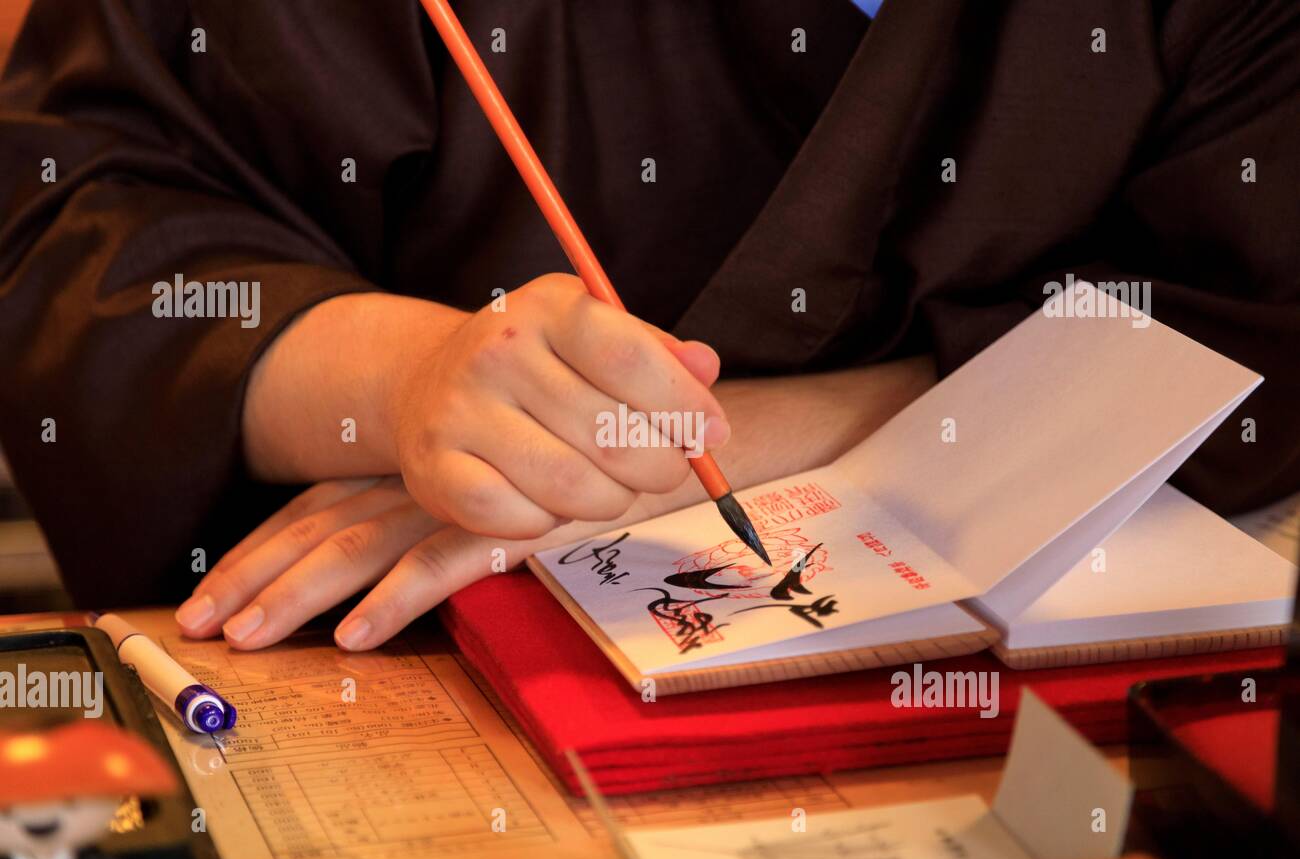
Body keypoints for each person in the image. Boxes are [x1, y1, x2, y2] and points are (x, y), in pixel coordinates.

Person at [0, 1, 1296, 652]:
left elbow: (1254, 325)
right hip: (410, 659)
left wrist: (699, 450)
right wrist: (409, 383)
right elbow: (76, 224)